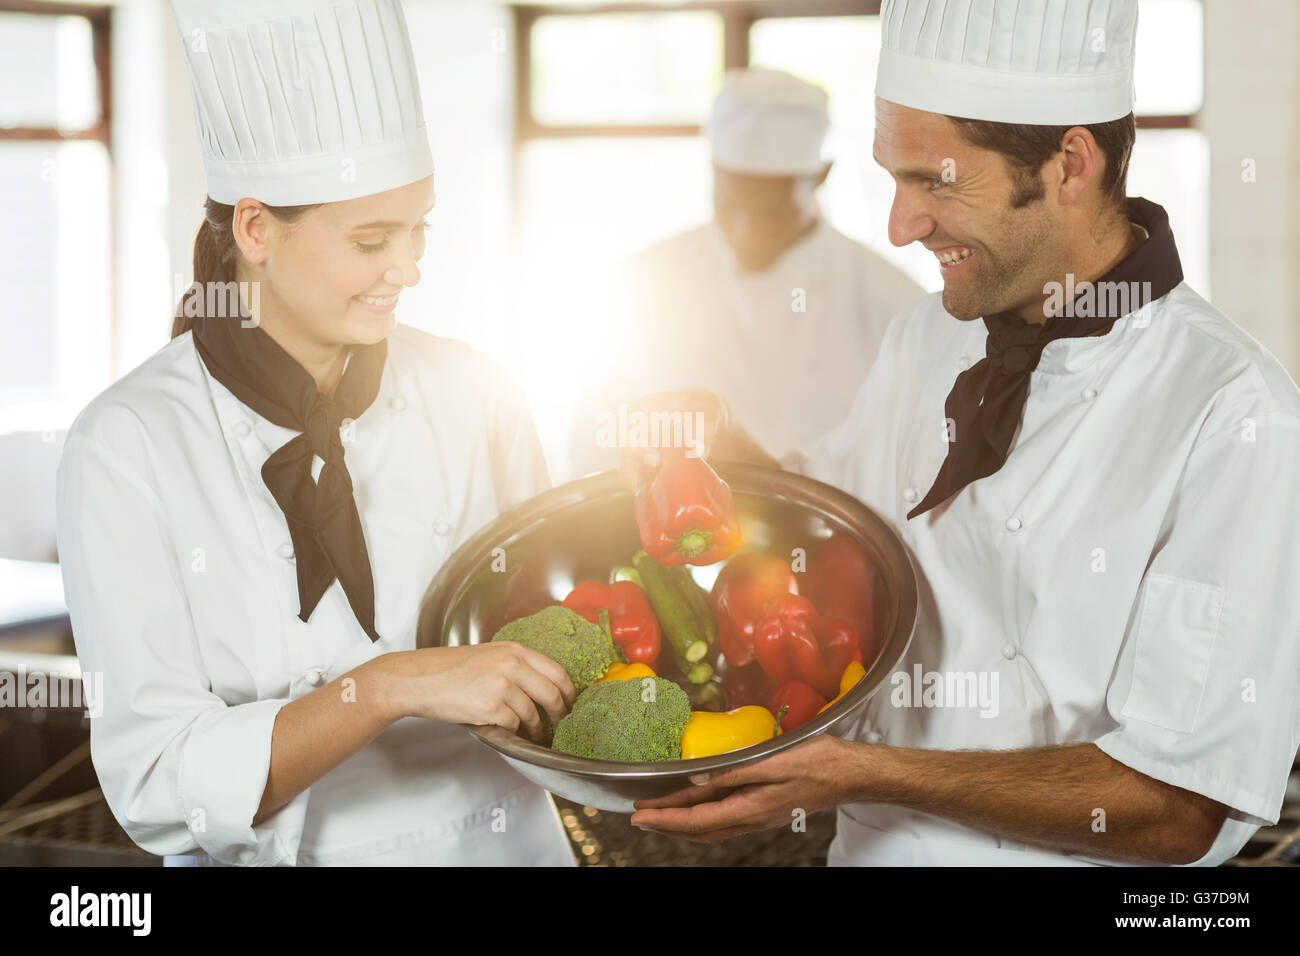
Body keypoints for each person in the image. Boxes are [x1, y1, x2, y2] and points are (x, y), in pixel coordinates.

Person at [625, 0, 1300, 866]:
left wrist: (864, 773)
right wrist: (716, 440)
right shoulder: (926, 334)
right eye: (893, 178)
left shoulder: (1235, 414)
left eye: (935, 181)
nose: (900, 225)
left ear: (1070, 163)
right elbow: (833, 530)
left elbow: (1181, 807)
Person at [55, 0, 577, 866]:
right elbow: (156, 781)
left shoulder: (477, 393)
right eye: (373, 240)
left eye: (419, 230)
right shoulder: (124, 446)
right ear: (255, 229)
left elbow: (562, 631)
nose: (407, 270)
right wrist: (379, 690)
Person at [569, 68, 923, 478]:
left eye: (771, 212)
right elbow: (593, 443)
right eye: (730, 203)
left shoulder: (895, 305)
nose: (744, 231)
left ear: (821, 176)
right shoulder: (643, 281)